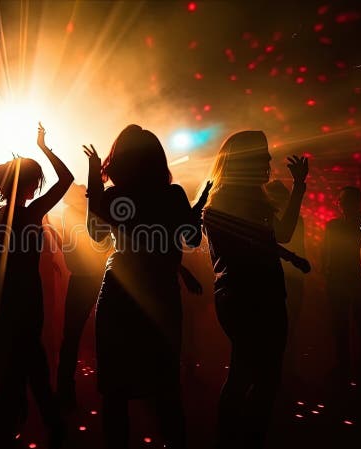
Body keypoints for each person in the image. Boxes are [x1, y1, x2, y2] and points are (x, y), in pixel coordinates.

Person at [85, 125, 208, 449]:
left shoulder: (115, 196)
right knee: (166, 385)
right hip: (161, 293)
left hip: (119, 292)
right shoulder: (173, 195)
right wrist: (195, 211)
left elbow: (96, 236)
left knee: (115, 390)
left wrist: (94, 180)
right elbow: (192, 239)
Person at [203, 130, 308, 449]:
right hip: (252, 295)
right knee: (260, 376)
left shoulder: (229, 199)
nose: (269, 159)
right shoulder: (236, 201)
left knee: (249, 374)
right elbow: (278, 236)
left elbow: (273, 238)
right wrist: (298, 188)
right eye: (262, 154)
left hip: (242, 294)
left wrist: (298, 188)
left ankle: (231, 439)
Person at [0, 123, 72, 449]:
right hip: (25, 296)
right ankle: (29, 427)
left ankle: (15, 425)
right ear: (27, 185)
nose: (36, 189)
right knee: (30, 365)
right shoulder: (33, 213)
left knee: (11, 366)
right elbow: (67, 179)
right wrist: (43, 146)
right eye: (34, 182)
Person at [56, 183, 112, 410]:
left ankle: (68, 389)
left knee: (78, 334)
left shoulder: (84, 211)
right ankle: (66, 389)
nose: (83, 191)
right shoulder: (72, 213)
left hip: (94, 276)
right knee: (73, 334)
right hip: (85, 278)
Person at [324, 186, 361, 388]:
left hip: (355, 282)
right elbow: (326, 252)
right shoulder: (335, 226)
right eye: (341, 201)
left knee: (360, 326)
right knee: (344, 326)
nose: (341, 204)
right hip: (342, 281)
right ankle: (357, 368)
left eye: (344, 201)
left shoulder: (360, 225)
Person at [265, 179, 306, 378]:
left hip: (285, 276)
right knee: (284, 325)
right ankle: (284, 368)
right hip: (280, 276)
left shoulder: (271, 217)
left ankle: (285, 367)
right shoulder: (288, 218)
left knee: (287, 324)